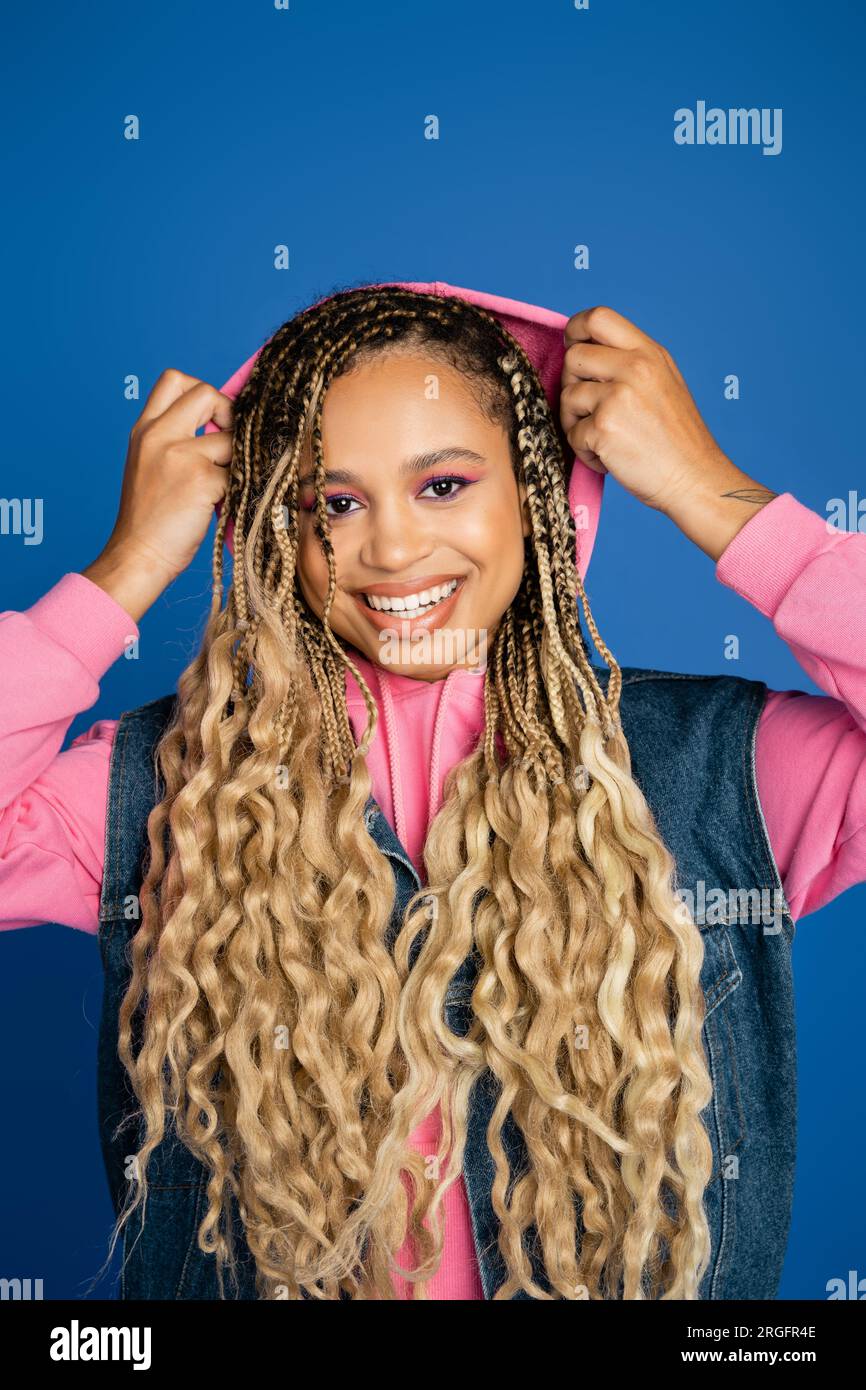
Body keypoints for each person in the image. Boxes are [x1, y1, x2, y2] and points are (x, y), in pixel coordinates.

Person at [1, 280, 863, 1301]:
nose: (394, 549)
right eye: (333, 502)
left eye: (443, 485)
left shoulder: (723, 765)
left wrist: (705, 488)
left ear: (533, 494)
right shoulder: (159, 785)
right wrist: (129, 567)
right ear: (275, 525)